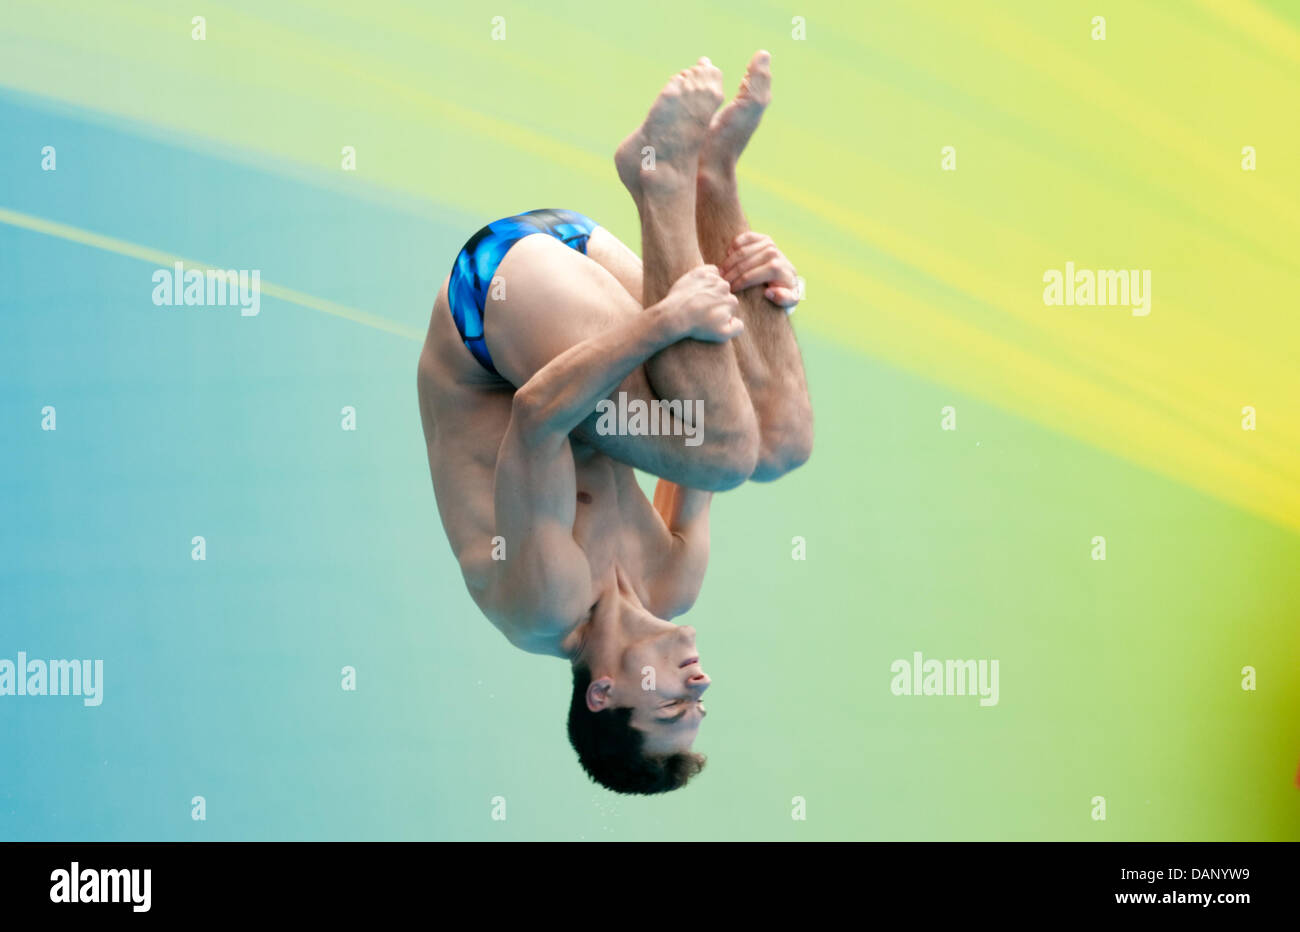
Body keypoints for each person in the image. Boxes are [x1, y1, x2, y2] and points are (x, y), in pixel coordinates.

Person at [417, 51, 812, 793]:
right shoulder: (673, 579)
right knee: (778, 442)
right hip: (574, 274)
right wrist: (767, 308)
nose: (697, 687)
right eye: (703, 704)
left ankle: (660, 179)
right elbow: (717, 392)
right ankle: (713, 180)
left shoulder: (543, 603)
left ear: (604, 694)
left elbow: (535, 415)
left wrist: (663, 320)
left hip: (494, 303)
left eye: (673, 709)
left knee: (721, 452)